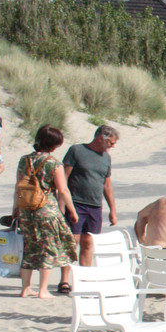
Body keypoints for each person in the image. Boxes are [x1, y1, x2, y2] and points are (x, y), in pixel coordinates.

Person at [12, 124, 78, 299]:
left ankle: (25, 288)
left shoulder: (24, 160)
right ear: (54, 144)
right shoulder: (53, 163)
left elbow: (18, 187)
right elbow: (63, 190)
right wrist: (72, 211)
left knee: (29, 248)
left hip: (26, 210)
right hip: (46, 209)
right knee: (47, 249)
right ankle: (43, 290)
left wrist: (15, 210)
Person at [60, 124, 119, 294]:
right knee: (72, 242)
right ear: (101, 138)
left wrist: (112, 210)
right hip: (76, 202)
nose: (112, 147)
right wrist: (63, 204)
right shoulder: (76, 151)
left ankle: (84, 279)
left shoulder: (106, 158)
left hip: (95, 206)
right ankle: (65, 280)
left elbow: (107, 184)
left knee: (88, 243)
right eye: (111, 143)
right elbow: (64, 177)